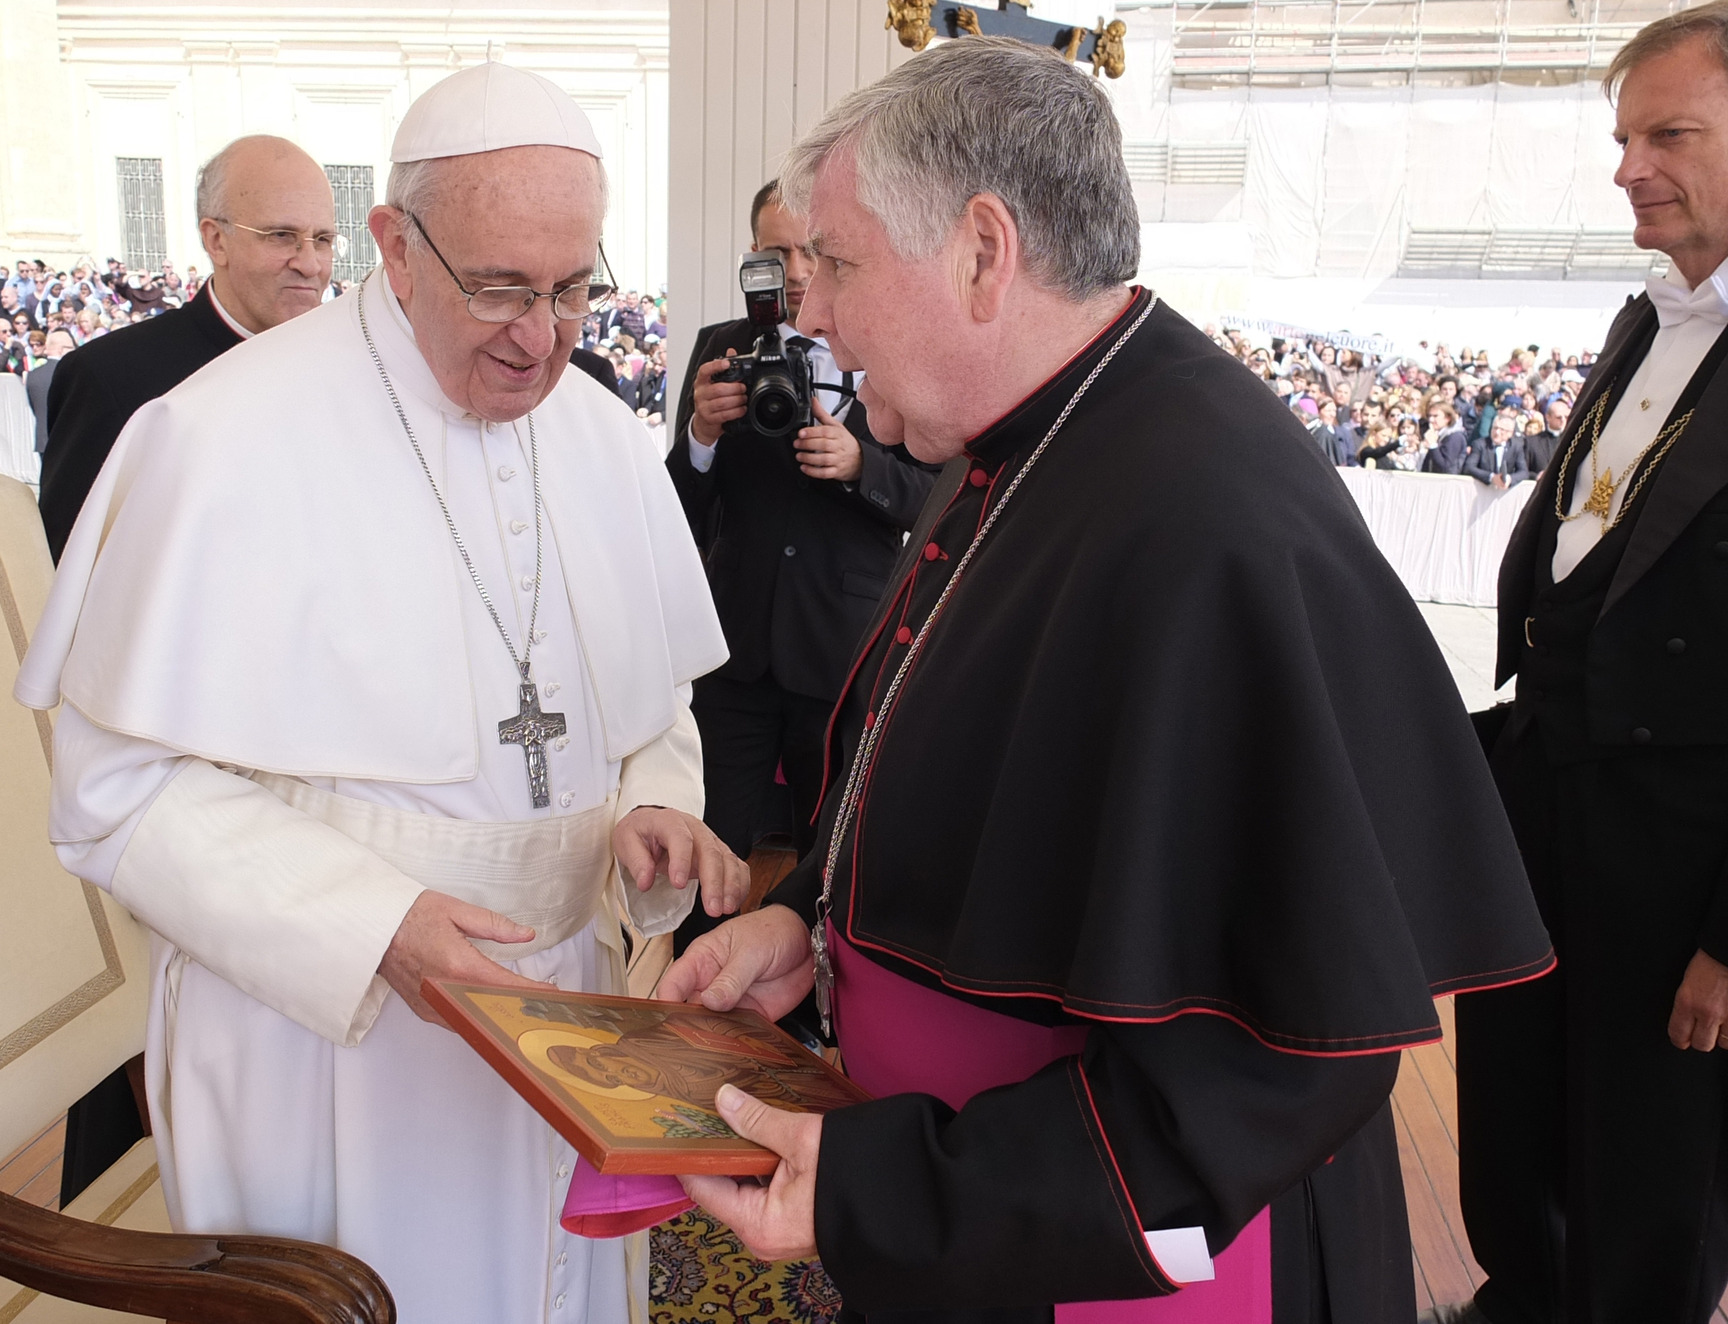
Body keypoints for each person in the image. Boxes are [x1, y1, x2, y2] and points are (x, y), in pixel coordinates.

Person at [656, 37, 1553, 1323]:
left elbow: (1273, 1065)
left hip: (1105, 1257)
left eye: (836, 265)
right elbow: (957, 779)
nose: (808, 316)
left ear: (979, 251)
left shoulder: (1206, 521)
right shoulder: (1022, 439)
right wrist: (809, 919)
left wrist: (898, 1189)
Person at [12, 61, 742, 1323]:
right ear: (397, 248)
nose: (543, 336)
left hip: (567, 1009)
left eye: (573, 289)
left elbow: (650, 707)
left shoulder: (594, 436)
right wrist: (373, 928)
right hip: (323, 1032)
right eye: (501, 288)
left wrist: (651, 808)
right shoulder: (219, 436)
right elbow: (115, 789)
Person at [1450, 8, 1728, 1323]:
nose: (1628, 167)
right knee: (1515, 1118)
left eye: (1669, 134)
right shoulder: (1646, 324)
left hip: (1688, 862)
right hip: (1552, 807)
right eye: (1625, 138)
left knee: (1652, 1170)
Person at [666, 180, 936, 882]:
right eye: (775, 251)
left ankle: (820, 989)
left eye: (808, 250)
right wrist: (701, 433)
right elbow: (680, 508)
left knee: (835, 847)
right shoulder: (719, 348)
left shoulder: (888, 348)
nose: (792, 270)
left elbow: (933, 499)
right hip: (733, 646)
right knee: (713, 844)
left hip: (839, 645)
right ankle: (699, 978)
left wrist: (859, 465)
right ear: (751, 255)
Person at [36, 135, 335, 561]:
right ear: (216, 241)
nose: (310, 264)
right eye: (281, 236)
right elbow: (68, 567)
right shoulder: (111, 379)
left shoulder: (353, 367)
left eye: (322, 239)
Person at [26, 327, 71, 454]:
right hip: (67, 440)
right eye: (72, 347)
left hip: (43, 439)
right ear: (62, 349)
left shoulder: (33, 375)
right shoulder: (71, 373)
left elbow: (35, 408)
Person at [1463, 410, 1530, 488]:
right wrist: (1491, 477)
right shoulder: (1479, 444)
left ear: (1510, 433)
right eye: (1495, 428)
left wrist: (1510, 479)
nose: (1497, 432)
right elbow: (1469, 467)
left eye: (1502, 430)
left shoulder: (1516, 447)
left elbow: (1524, 472)